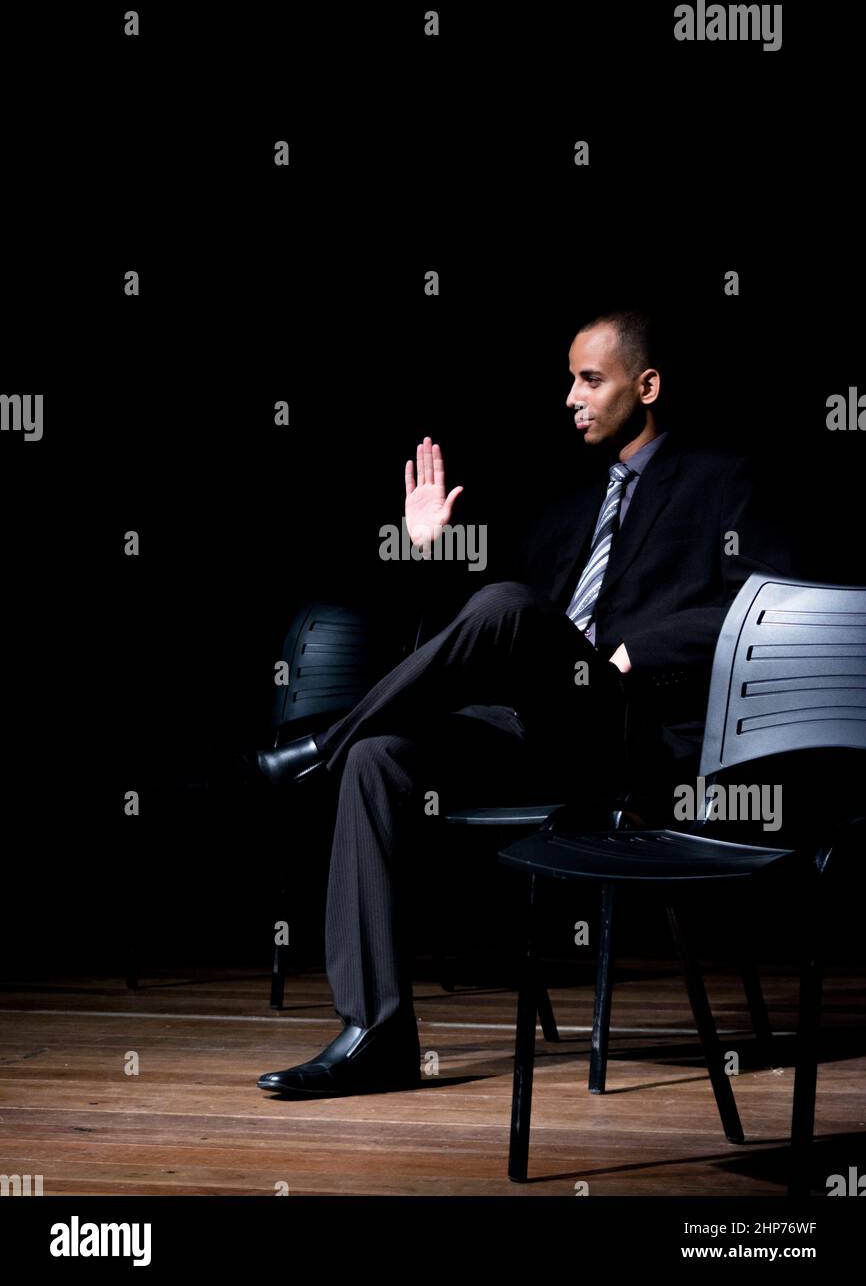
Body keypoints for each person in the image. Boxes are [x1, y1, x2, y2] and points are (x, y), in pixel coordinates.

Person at [254, 309, 794, 1096]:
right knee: (380, 759)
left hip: (628, 727)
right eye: (569, 379)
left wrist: (644, 649)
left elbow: (766, 605)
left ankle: (320, 745)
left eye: (590, 379)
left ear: (646, 386)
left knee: (509, 604)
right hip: (529, 727)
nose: (571, 397)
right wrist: (428, 550)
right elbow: (474, 637)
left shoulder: (723, 479)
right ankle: (377, 1030)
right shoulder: (567, 503)